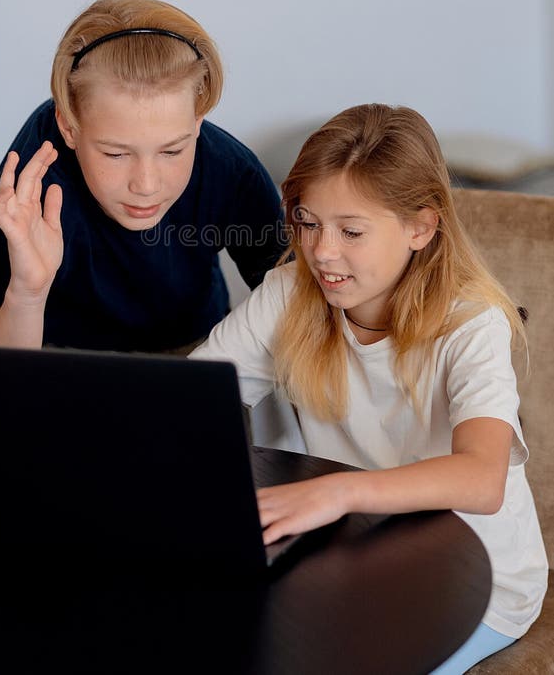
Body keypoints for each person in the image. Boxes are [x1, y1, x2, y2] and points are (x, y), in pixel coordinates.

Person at [191, 103, 548, 673]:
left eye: (351, 231)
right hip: (353, 551)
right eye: (307, 223)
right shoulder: (289, 292)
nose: (322, 251)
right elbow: (193, 399)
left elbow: (482, 479)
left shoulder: (472, 324)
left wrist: (338, 493)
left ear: (421, 227)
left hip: (476, 579)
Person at [0, 0, 285, 353]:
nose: (146, 186)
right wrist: (27, 291)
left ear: (198, 121)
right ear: (69, 128)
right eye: (116, 153)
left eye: (172, 150)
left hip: (198, 346)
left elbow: (303, 316)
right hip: (60, 354)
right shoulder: (28, 188)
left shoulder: (233, 172)